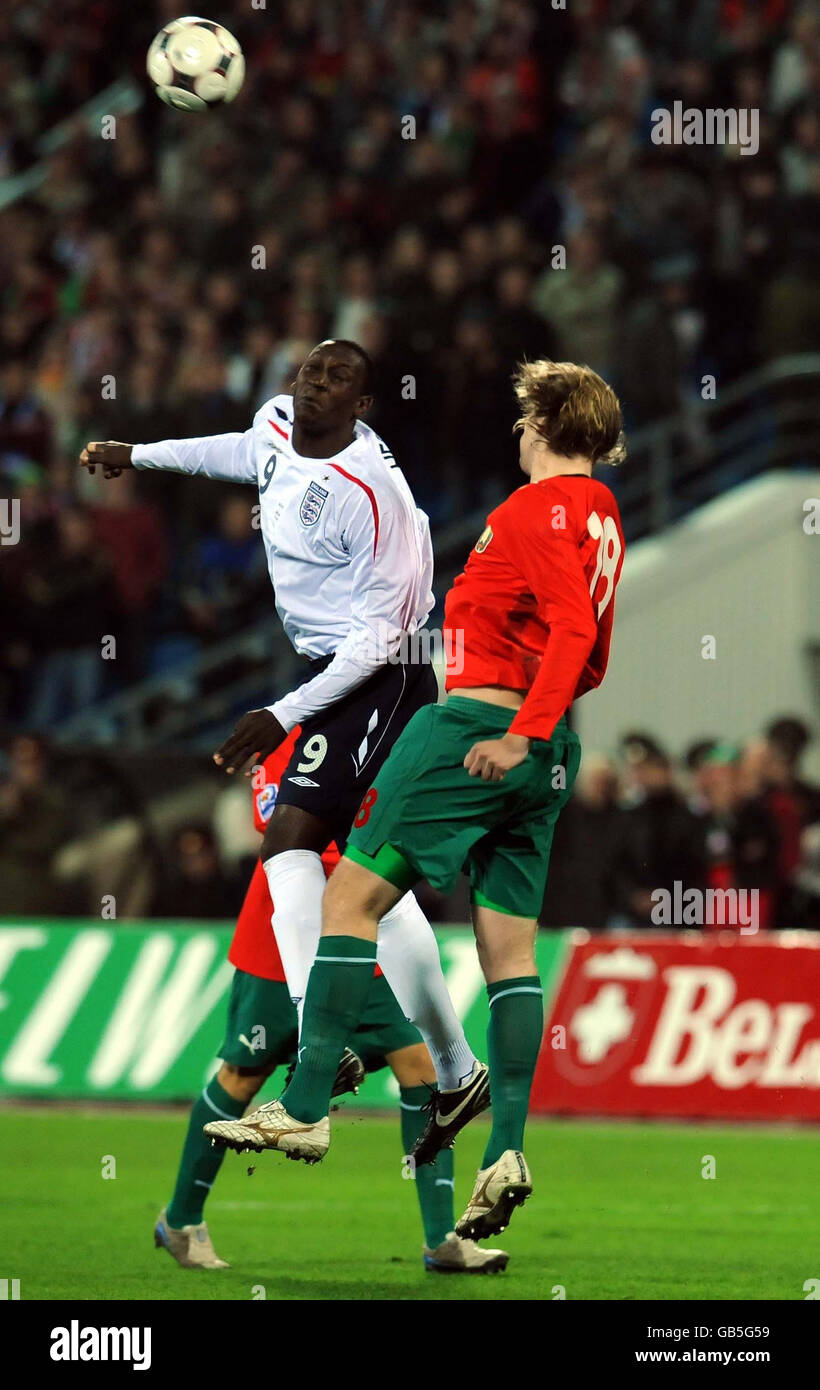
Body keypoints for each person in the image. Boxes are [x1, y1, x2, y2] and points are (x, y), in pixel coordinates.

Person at [204, 358, 626, 1242]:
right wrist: (541, 736)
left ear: (545, 425)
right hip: (547, 757)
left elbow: (571, 632)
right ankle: (504, 1147)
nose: (516, 434)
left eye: (523, 421)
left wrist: (513, 728)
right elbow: (587, 647)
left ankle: (309, 1099)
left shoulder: (535, 508)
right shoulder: (602, 515)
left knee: (348, 897)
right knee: (512, 958)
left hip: (477, 731)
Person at [80, 338, 484, 1120]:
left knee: (295, 847)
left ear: (362, 406)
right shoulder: (274, 420)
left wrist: (282, 712)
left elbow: (382, 638)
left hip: (385, 676)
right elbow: (240, 451)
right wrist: (139, 454)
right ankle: (450, 1068)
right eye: (310, 371)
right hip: (334, 675)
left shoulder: (376, 496)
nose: (316, 385)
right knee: (361, 876)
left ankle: (326, 1041)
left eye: (339, 379)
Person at [156, 730, 507, 1275]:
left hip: (370, 922)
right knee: (242, 1076)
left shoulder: (393, 724)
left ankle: (442, 1239)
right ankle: (179, 1221)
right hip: (286, 936)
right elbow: (279, 829)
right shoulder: (291, 728)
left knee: (420, 1067)